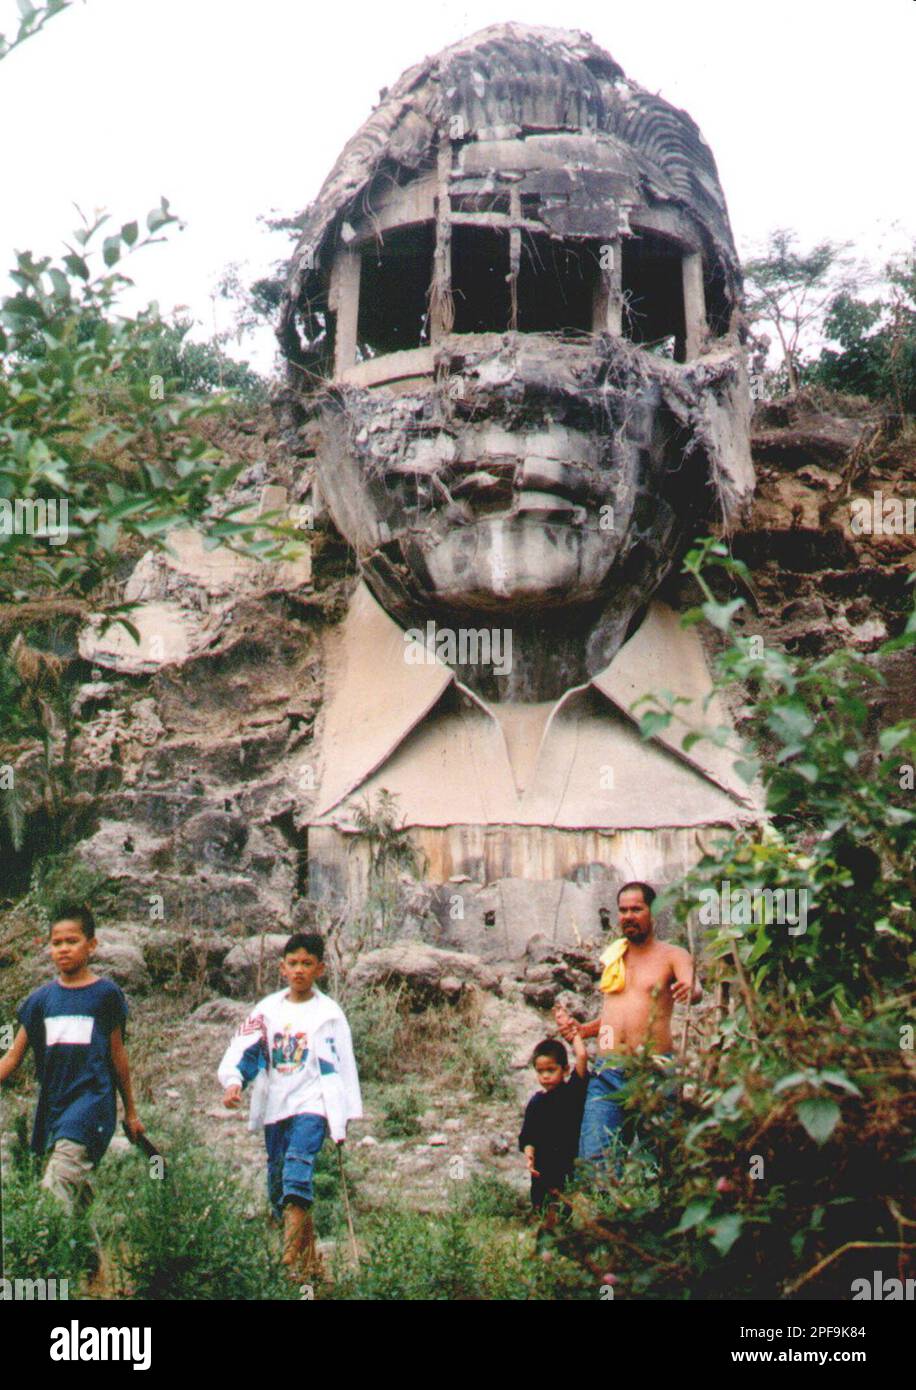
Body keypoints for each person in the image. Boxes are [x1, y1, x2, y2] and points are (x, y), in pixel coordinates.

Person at [218, 932, 362, 1282]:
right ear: (282, 968)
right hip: (276, 1107)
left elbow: (343, 1065)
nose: (299, 970)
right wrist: (235, 1081)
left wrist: (342, 1115)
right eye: (293, 963)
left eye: (307, 964)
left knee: (298, 1171)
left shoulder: (329, 1014)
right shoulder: (268, 1010)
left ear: (320, 969)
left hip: (313, 1104)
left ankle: (284, 1265)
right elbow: (248, 1048)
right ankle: (312, 1265)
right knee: (280, 1186)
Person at [0, 902, 143, 1212]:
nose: (63, 949)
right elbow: (12, 1059)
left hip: (92, 1106)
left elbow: (118, 1057)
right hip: (55, 1108)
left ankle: (43, 1252)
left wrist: (131, 1113)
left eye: (72, 941)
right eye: (56, 943)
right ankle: (90, 1260)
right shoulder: (40, 1001)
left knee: (55, 1193)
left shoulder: (106, 996)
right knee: (77, 1207)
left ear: (91, 945)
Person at [555, 881, 701, 1169]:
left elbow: (693, 987)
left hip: (654, 1073)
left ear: (653, 912)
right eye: (623, 910)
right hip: (607, 1073)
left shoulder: (673, 956)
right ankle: (603, 1214)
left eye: (636, 909)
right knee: (596, 1160)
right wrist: (583, 1030)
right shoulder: (615, 956)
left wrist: (690, 990)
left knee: (658, 1163)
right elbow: (615, 1014)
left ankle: (657, 1213)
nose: (628, 916)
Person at [518, 1028, 588, 1210]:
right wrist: (529, 1154)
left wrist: (574, 1034)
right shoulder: (536, 1102)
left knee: (566, 1207)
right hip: (542, 1168)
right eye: (540, 1071)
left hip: (568, 1164)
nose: (546, 1076)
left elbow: (581, 1056)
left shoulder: (573, 1092)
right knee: (540, 1207)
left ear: (565, 1069)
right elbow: (528, 1135)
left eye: (551, 1070)